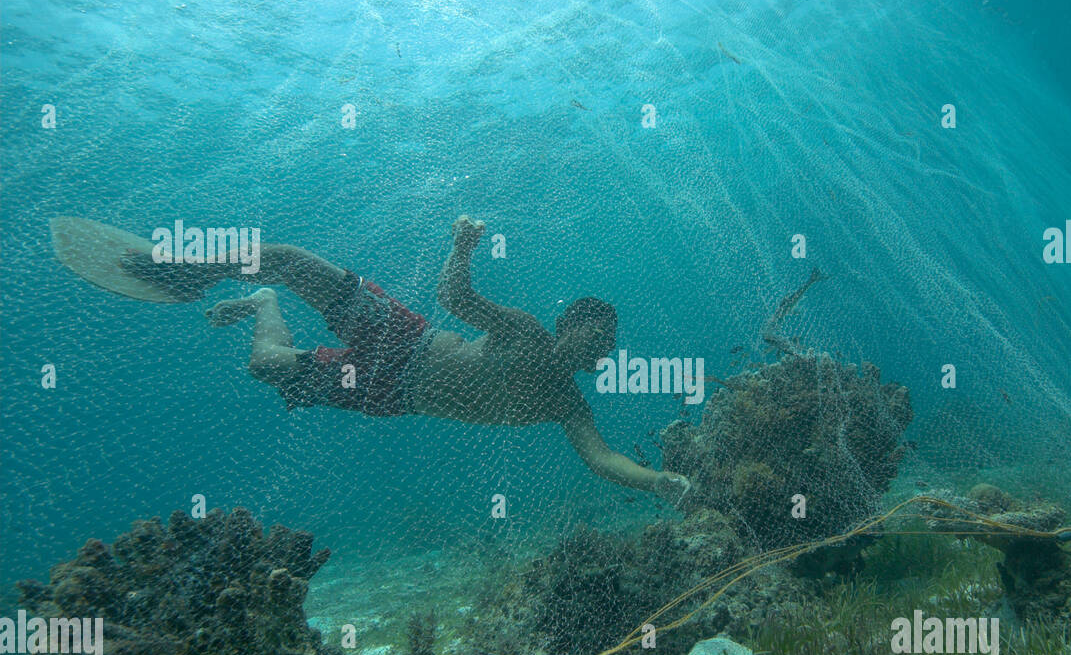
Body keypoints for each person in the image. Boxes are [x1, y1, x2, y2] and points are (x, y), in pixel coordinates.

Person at [121, 215, 692, 503]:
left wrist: (657, 480)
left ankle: (261, 303)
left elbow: (601, 459)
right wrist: (462, 246)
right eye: (598, 332)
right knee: (293, 260)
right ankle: (187, 271)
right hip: (404, 341)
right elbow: (453, 299)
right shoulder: (525, 330)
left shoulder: (567, 402)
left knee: (267, 367)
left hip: (391, 396)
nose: (606, 346)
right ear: (568, 327)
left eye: (610, 343)